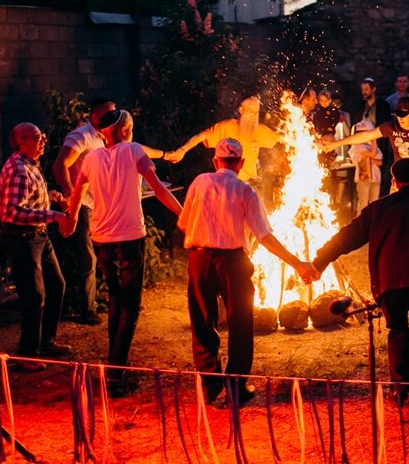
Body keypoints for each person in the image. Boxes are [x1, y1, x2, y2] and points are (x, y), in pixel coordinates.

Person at [310, 159, 409, 414]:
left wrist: (319, 262)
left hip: (388, 285)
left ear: (394, 181)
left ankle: (399, 391)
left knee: (397, 330)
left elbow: (346, 237)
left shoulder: (378, 208)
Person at [178, 138, 317, 406]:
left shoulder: (199, 182)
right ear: (241, 164)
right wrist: (297, 263)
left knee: (202, 322)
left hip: (199, 259)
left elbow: (183, 224)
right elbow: (264, 236)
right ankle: (235, 388)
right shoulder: (245, 191)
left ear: (215, 161)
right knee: (240, 324)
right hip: (232, 263)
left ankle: (209, 385)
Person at [62, 110, 183, 396]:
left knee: (116, 298)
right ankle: (116, 376)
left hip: (102, 237)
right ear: (126, 129)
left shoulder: (91, 159)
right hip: (129, 237)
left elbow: (77, 192)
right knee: (130, 304)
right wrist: (185, 215)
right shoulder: (134, 151)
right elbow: (159, 190)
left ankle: (114, 366)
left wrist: (71, 218)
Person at [0, 123, 72, 371]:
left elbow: (28, 198)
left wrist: (50, 195)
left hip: (39, 235)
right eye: (37, 138)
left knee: (56, 284)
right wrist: (54, 216)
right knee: (34, 295)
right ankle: (27, 354)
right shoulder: (18, 169)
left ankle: (46, 340)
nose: (43, 141)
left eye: (42, 137)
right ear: (21, 141)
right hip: (22, 237)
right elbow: (12, 212)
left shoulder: (30, 163)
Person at [51, 98, 116, 326]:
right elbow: (60, 165)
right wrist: (71, 194)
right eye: (108, 115)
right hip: (86, 206)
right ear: (95, 116)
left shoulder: (104, 139)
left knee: (104, 254)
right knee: (87, 256)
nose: (112, 120)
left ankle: (101, 300)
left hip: (102, 205)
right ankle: (87, 308)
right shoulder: (81, 137)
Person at [171, 96, 282, 184]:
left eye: (256, 113)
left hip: (248, 184)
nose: (254, 116)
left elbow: (283, 137)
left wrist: (296, 129)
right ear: (241, 110)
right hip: (226, 185)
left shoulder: (260, 131)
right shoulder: (226, 127)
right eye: (251, 112)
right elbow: (201, 136)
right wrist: (182, 150)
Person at [348, 120, 383, 211]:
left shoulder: (372, 147)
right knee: (363, 203)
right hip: (363, 178)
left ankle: (373, 224)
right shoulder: (357, 146)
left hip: (376, 177)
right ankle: (361, 224)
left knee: (374, 203)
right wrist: (374, 140)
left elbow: (380, 162)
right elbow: (372, 155)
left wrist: (370, 159)